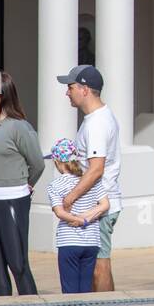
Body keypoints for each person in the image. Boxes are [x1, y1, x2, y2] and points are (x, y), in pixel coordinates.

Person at [0, 70, 43, 296]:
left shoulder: (19, 127)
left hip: (12, 201)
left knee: (18, 264)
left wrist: (26, 186)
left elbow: (37, 164)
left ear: (2, 94)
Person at [56, 65, 122, 292]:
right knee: (97, 263)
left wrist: (70, 198)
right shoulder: (97, 118)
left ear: (84, 89)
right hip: (97, 203)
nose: (67, 92)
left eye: (70, 87)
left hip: (99, 206)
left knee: (98, 266)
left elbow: (96, 169)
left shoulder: (97, 124)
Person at [44, 137, 109, 294]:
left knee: (70, 288)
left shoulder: (55, 185)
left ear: (58, 162)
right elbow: (105, 204)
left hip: (69, 242)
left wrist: (77, 220)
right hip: (92, 241)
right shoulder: (91, 181)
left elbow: (59, 212)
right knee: (86, 286)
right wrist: (86, 219)